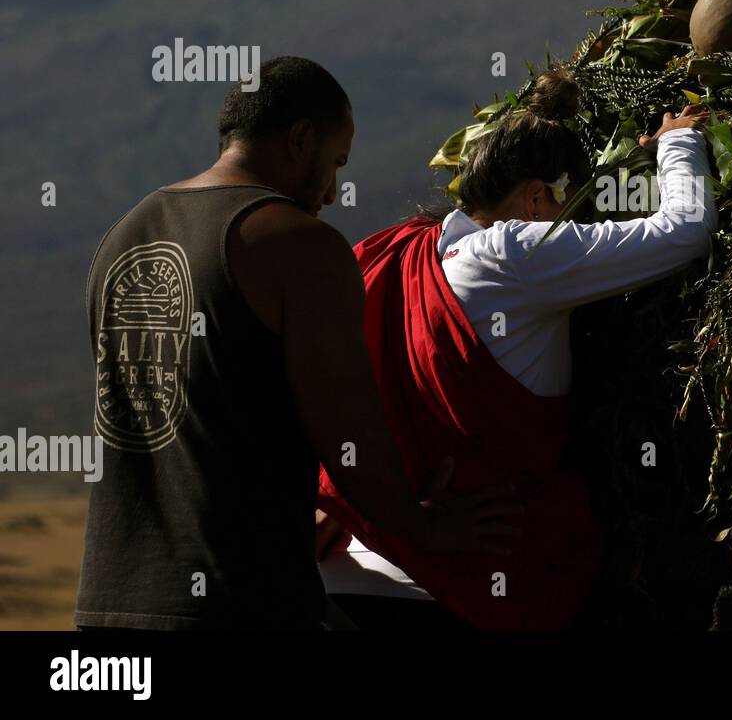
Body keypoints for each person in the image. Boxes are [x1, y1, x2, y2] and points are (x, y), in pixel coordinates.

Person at [77, 56, 521, 630]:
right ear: (301, 138)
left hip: (106, 606)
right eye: (335, 163)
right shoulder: (298, 245)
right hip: (239, 610)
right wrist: (426, 524)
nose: (333, 193)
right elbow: (347, 435)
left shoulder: (124, 235)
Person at [316, 70, 717, 630]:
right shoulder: (517, 252)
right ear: (534, 197)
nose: (574, 231)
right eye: (571, 210)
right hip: (457, 590)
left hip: (348, 575)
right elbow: (684, 230)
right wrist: (678, 141)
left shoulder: (399, 250)